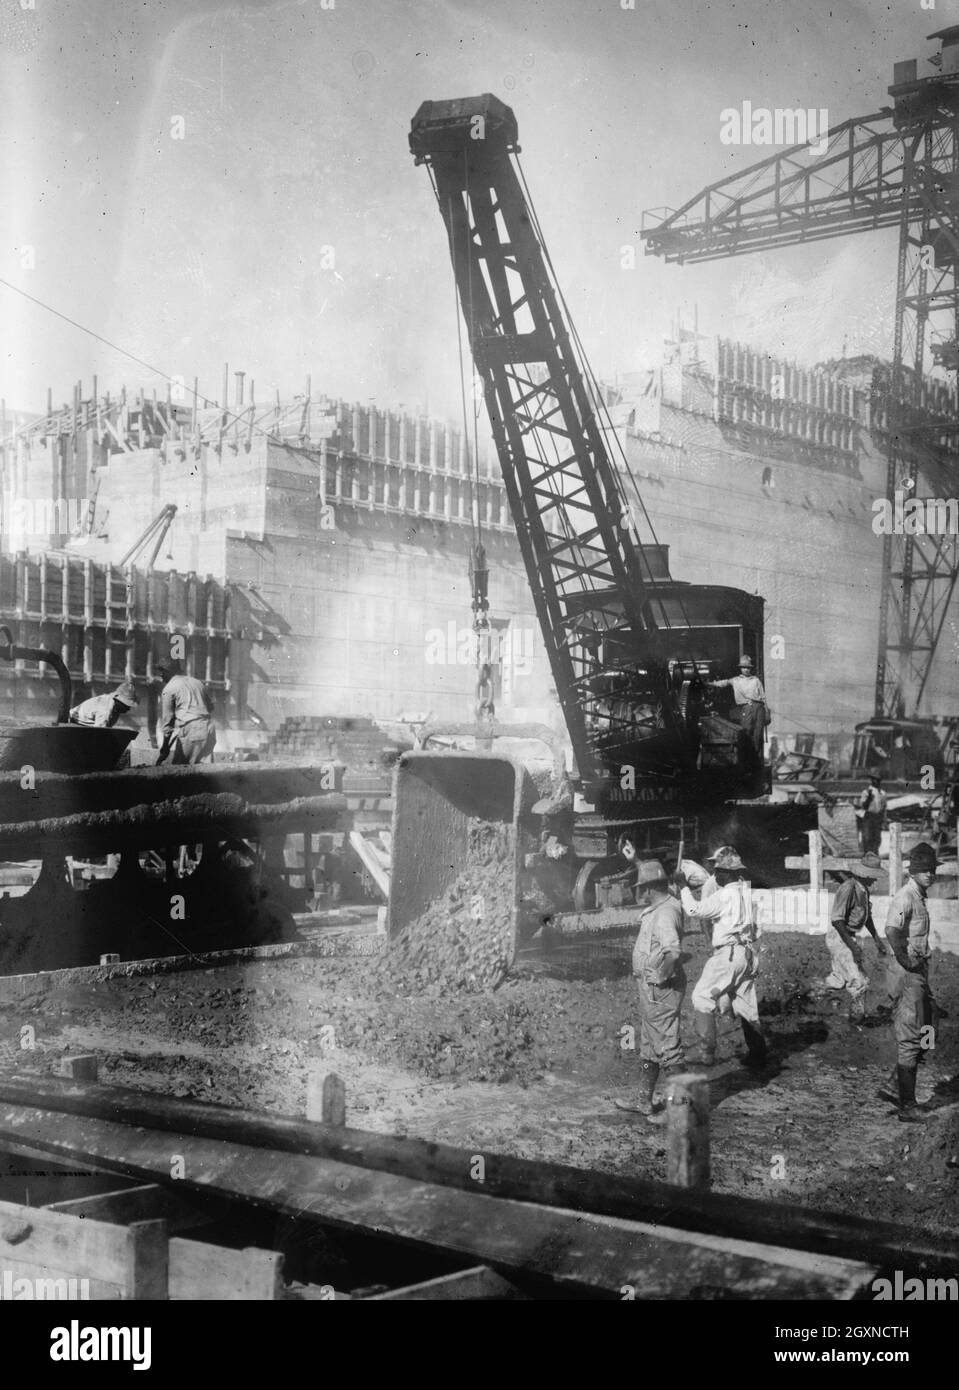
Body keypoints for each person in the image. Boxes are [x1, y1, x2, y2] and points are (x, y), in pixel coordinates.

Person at [677, 847, 767, 1069]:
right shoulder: (745, 893)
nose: (716, 874)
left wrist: (683, 888)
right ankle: (759, 1056)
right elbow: (756, 930)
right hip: (747, 954)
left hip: (729, 954)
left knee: (701, 997)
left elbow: (693, 910)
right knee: (747, 1008)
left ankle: (707, 1053)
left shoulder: (724, 894)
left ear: (727, 873)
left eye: (719, 870)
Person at [614, 859, 686, 1116]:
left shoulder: (665, 912)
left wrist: (661, 976)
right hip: (651, 988)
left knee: (667, 1045)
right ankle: (644, 1100)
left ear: (649, 888)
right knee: (650, 1043)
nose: (639, 892)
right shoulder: (662, 907)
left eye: (641, 888)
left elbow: (674, 951)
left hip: (660, 988)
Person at [884, 841, 938, 1123]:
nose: (929, 874)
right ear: (913, 871)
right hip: (907, 974)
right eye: (923, 870)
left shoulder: (920, 896)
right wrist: (906, 962)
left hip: (919, 971)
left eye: (932, 870)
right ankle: (907, 1105)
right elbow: (891, 930)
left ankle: (895, 1082)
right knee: (910, 1034)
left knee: (930, 1027)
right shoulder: (905, 897)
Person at [815, 857, 886, 1021]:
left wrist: (876, 938)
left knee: (839, 979)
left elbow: (866, 916)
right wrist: (853, 948)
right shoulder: (848, 888)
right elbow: (837, 920)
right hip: (840, 937)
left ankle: (809, 993)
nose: (875, 879)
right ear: (865, 874)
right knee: (860, 981)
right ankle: (857, 1020)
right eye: (873, 875)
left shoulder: (863, 890)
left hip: (848, 937)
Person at [707, 655, 768, 771]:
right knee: (746, 733)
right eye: (744, 667)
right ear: (741, 668)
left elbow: (763, 697)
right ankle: (746, 762)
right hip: (747, 707)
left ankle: (755, 762)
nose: (746, 670)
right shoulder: (735, 680)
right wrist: (711, 683)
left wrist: (766, 712)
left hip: (759, 708)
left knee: (758, 735)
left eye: (748, 668)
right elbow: (723, 683)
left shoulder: (756, 680)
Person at [157, 662, 216, 764]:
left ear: (170, 672)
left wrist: (165, 748)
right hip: (209, 729)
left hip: (192, 732)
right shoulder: (197, 682)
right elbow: (211, 707)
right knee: (205, 774)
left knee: (182, 773)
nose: (161, 675)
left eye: (163, 671)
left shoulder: (169, 689)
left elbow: (167, 723)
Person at [69, 682, 138, 729]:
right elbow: (99, 732)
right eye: (127, 705)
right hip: (72, 722)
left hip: (85, 725)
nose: (128, 709)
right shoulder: (105, 709)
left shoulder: (114, 706)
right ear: (119, 701)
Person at [856, 775, 887, 856]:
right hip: (868, 816)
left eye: (878, 780)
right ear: (872, 781)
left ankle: (875, 854)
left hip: (878, 817)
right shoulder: (866, 792)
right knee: (867, 836)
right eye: (874, 780)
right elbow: (864, 806)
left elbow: (884, 807)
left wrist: (883, 819)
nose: (876, 782)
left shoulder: (882, 793)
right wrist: (869, 798)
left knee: (877, 838)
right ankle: (866, 854)